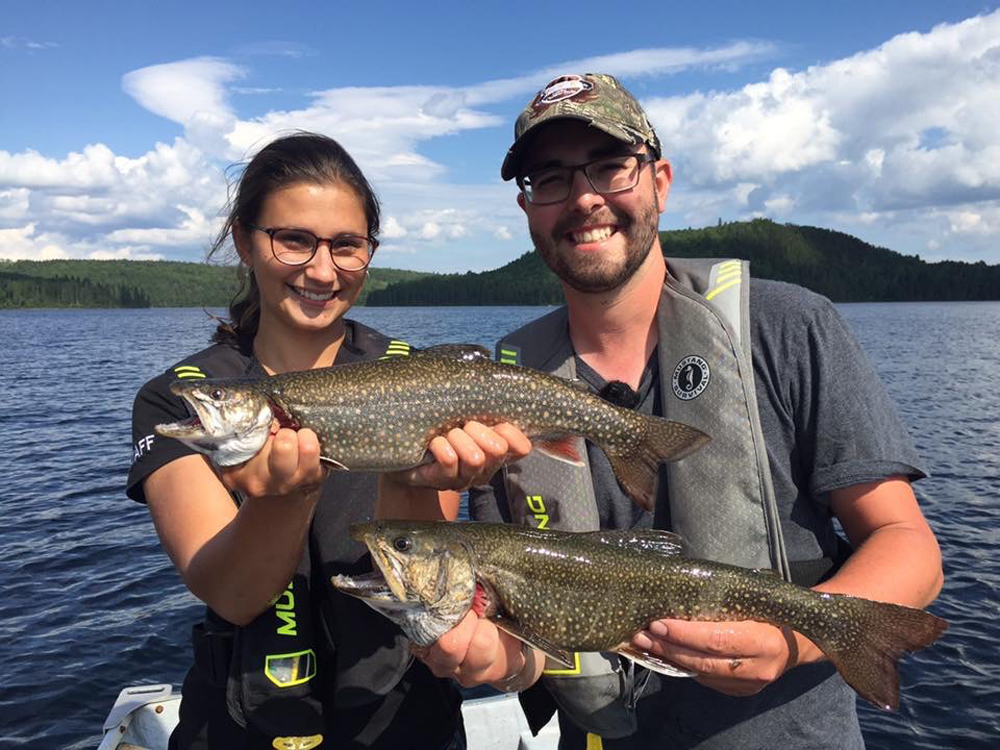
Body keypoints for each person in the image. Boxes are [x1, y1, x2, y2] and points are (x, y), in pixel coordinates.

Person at [412, 74, 945, 749]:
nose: (583, 198)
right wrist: (494, 659)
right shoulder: (505, 386)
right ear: (527, 209)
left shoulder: (788, 327)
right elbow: (527, 639)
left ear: (659, 180)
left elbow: (909, 545)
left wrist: (795, 640)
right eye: (549, 179)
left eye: (609, 167)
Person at [126, 132, 529, 750]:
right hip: (241, 727)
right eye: (294, 240)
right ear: (245, 240)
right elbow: (233, 597)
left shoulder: (415, 377)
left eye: (347, 246)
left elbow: (417, 572)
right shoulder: (183, 396)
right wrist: (282, 499)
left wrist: (415, 475)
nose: (321, 270)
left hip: (402, 722)